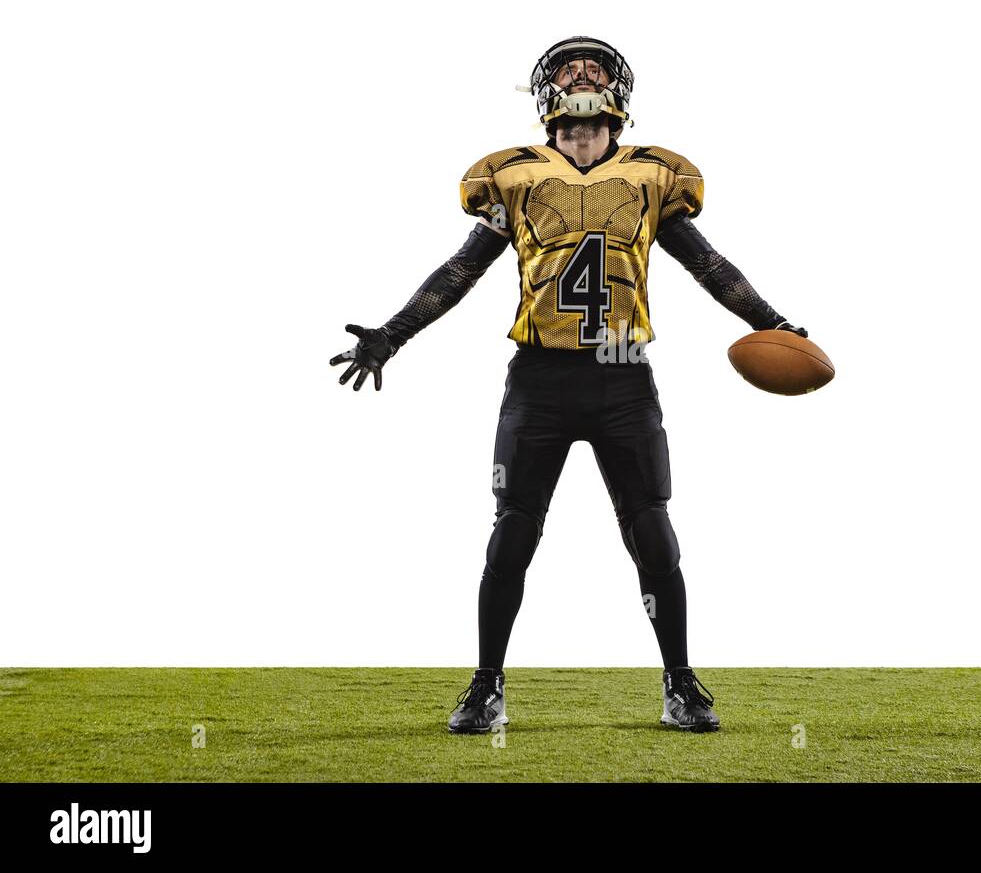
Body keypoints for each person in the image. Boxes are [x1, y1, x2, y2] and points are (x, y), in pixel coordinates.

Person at [330, 37, 809, 733]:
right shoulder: (517, 177)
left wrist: (775, 322)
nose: (583, 75)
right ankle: (486, 685)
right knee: (512, 535)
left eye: (595, 68)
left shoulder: (651, 176)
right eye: (569, 68)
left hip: (623, 376)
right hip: (540, 377)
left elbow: (710, 265)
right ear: (546, 93)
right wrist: (393, 334)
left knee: (654, 534)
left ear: (619, 90)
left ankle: (680, 683)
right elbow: (461, 271)